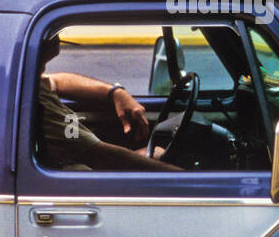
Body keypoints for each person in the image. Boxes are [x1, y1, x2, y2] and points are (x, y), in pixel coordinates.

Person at [37, 33, 180, 172]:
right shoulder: (38, 96)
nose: (57, 35)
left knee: (155, 154)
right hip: (76, 183)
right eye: (52, 33)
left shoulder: (34, 80)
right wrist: (179, 174)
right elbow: (101, 156)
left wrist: (116, 93)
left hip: (76, 171)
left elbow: (57, 81)